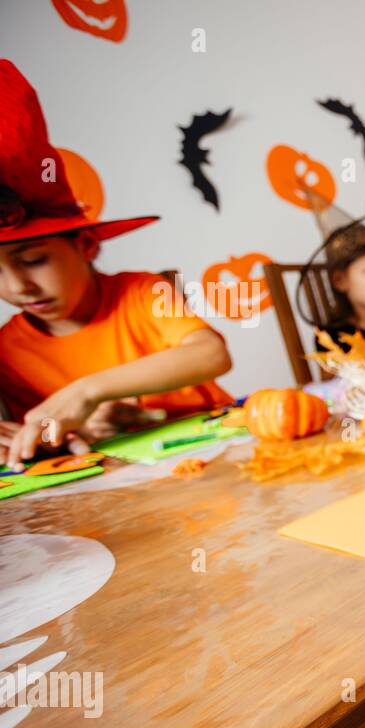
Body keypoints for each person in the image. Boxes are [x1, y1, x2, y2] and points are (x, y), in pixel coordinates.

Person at [0, 60, 232, 468]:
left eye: (33, 260)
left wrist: (87, 391)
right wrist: (78, 431)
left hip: (218, 449)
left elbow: (211, 354)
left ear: (86, 244)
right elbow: (50, 439)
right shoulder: (9, 351)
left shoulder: (141, 292)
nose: (17, 287)